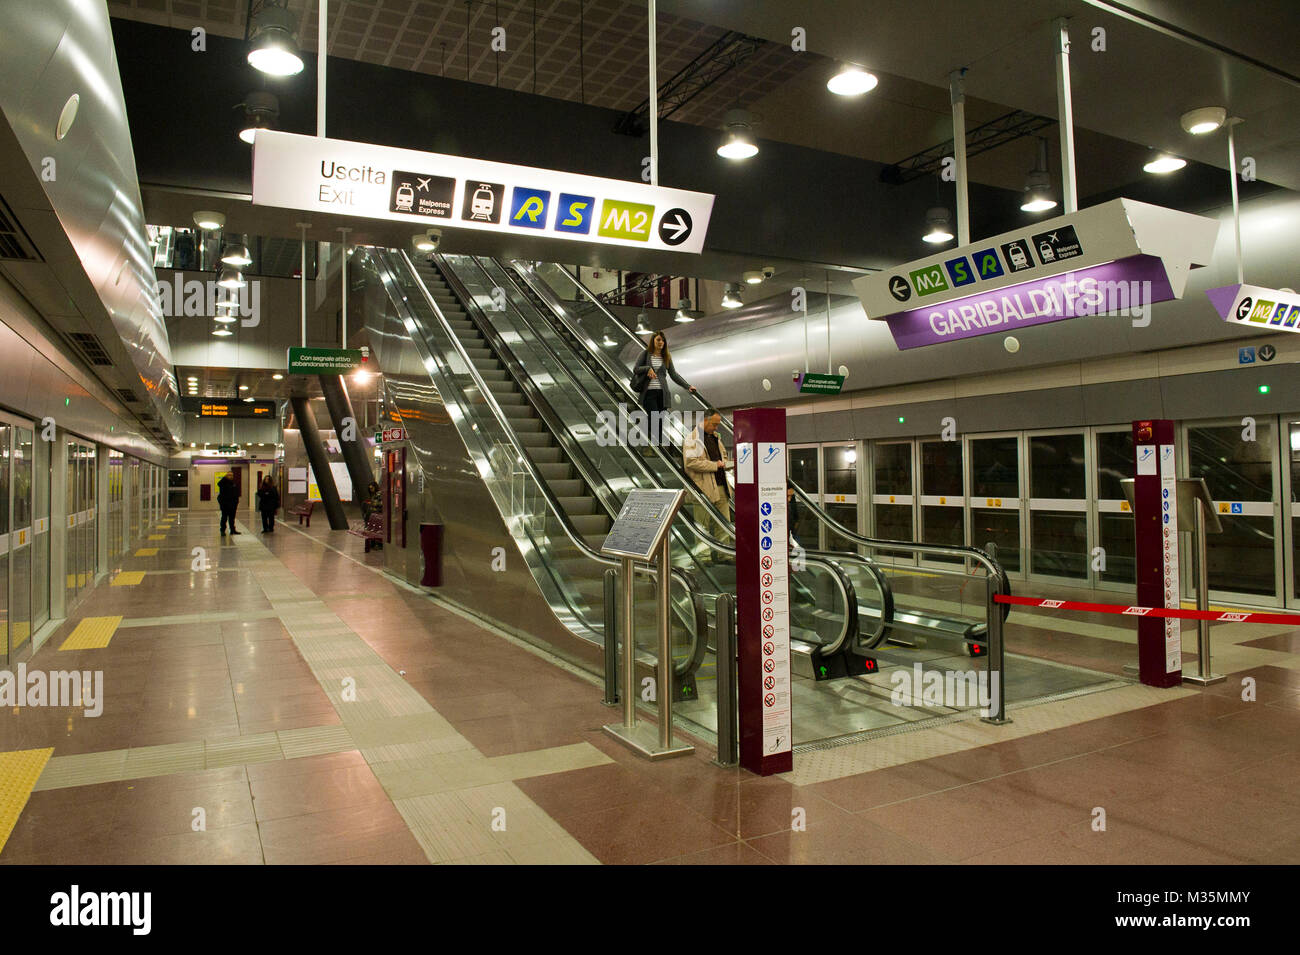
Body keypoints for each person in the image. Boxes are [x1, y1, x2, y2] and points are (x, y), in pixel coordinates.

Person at [631, 331, 696, 449]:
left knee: (660, 419)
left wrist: (687, 386)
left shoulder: (666, 356)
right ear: (653, 341)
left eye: (663, 340)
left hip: (663, 393)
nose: (661, 342)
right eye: (658, 340)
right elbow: (636, 369)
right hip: (648, 393)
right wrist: (647, 368)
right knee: (654, 416)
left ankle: (656, 445)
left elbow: (674, 374)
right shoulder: (645, 354)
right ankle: (653, 443)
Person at [683, 409, 731, 539]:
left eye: (717, 425)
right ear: (704, 420)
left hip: (721, 487)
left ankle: (724, 555)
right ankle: (703, 557)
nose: (716, 427)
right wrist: (715, 465)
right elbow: (691, 462)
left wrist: (726, 463)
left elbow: (724, 456)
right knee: (702, 525)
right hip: (703, 489)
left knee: (724, 524)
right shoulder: (692, 439)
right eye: (714, 424)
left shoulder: (715, 437)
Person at [216, 471, 240, 536]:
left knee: (232, 518)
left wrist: (236, 501)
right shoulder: (223, 483)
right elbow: (219, 484)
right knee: (224, 518)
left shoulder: (234, 483)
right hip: (225, 504)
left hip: (233, 504)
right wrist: (224, 478)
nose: (230, 476)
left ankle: (232, 530)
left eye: (231, 475)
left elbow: (236, 492)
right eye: (229, 475)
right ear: (226, 476)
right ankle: (222, 530)